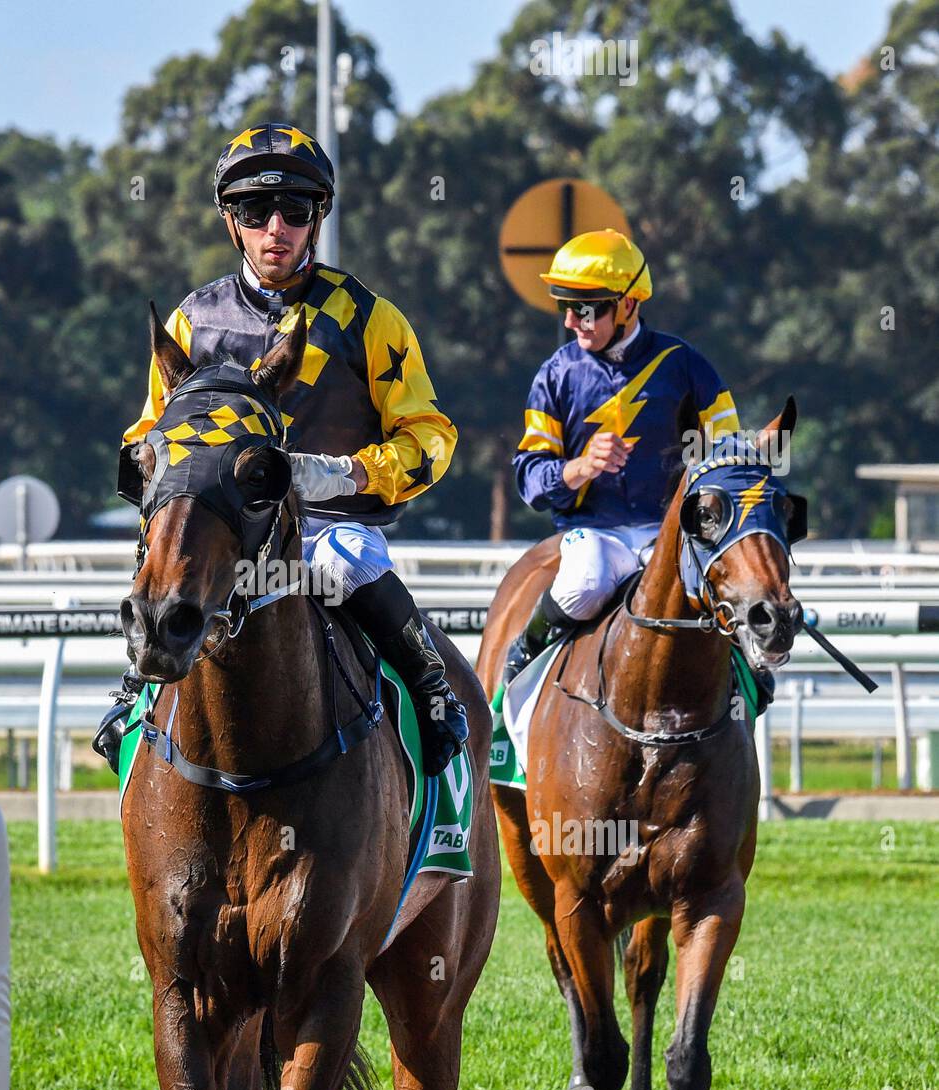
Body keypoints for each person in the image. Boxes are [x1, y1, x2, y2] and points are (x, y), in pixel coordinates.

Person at [93, 122, 468, 776]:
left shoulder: (368, 319)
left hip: (331, 526)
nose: (275, 227)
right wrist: (152, 464)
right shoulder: (190, 321)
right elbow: (146, 429)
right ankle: (135, 689)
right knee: (165, 586)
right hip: (221, 532)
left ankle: (434, 693)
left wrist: (346, 472)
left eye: (294, 211)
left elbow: (431, 439)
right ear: (230, 221)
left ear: (317, 219)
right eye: (254, 210)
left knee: (345, 563)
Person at [505, 227, 750, 684]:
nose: (571, 322)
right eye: (565, 307)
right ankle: (519, 666)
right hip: (594, 533)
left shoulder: (687, 365)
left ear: (628, 303)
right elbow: (530, 478)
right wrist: (581, 466)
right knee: (586, 584)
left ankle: (750, 679)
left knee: (718, 590)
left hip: (671, 533)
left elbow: (731, 453)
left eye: (585, 309)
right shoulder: (555, 374)